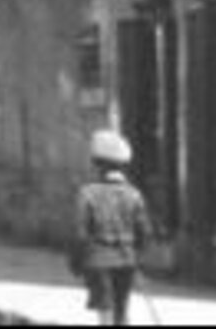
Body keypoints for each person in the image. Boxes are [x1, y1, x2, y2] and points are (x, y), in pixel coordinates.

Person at [69, 128, 152, 328]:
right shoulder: (134, 195)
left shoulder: (87, 194)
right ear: (123, 168)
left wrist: (76, 262)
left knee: (105, 312)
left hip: (98, 261)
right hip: (126, 261)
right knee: (122, 311)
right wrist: (137, 257)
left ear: (98, 166)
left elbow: (80, 235)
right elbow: (145, 233)